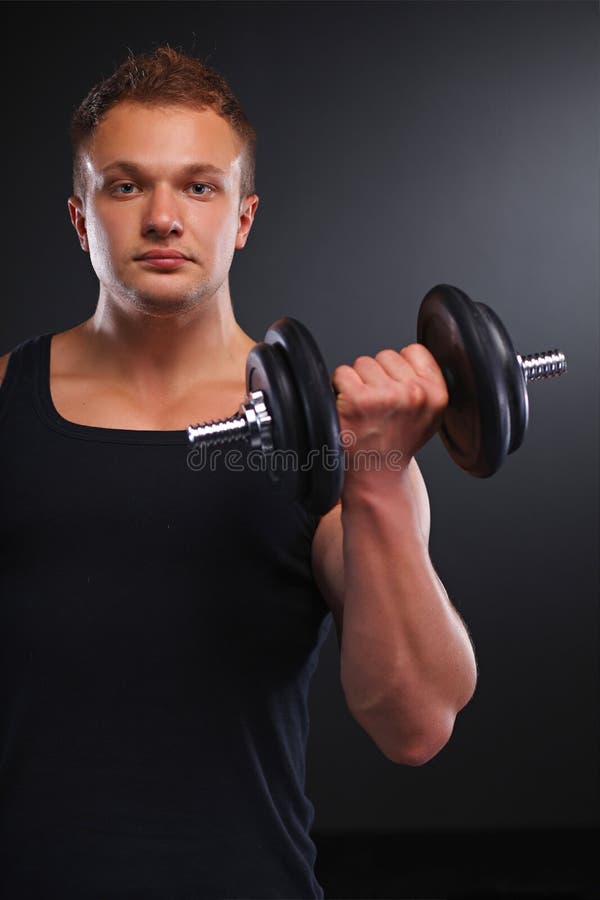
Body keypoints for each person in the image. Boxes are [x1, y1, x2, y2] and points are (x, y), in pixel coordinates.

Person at [0, 46, 477, 899]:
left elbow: (415, 725)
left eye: (199, 185)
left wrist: (371, 479)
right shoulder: (4, 402)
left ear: (244, 216)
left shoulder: (339, 436)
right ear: (80, 218)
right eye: (124, 185)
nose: (162, 217)